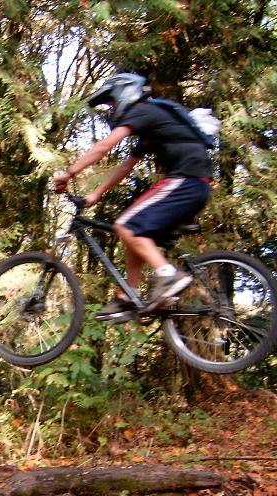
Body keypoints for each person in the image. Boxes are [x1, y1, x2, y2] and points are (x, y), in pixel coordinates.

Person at [52, 73, 212, 323]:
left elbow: (103, 147)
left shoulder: (143, 111)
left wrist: (69, 173)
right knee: (134, 232)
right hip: (194, 184)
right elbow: (126, 166)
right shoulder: (153, 123)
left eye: (111, 103)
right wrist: (95, 195)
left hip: (186, 181)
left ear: (123, 94)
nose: (112, 110)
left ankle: (168, 275)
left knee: (125, 225)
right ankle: (130, 296)